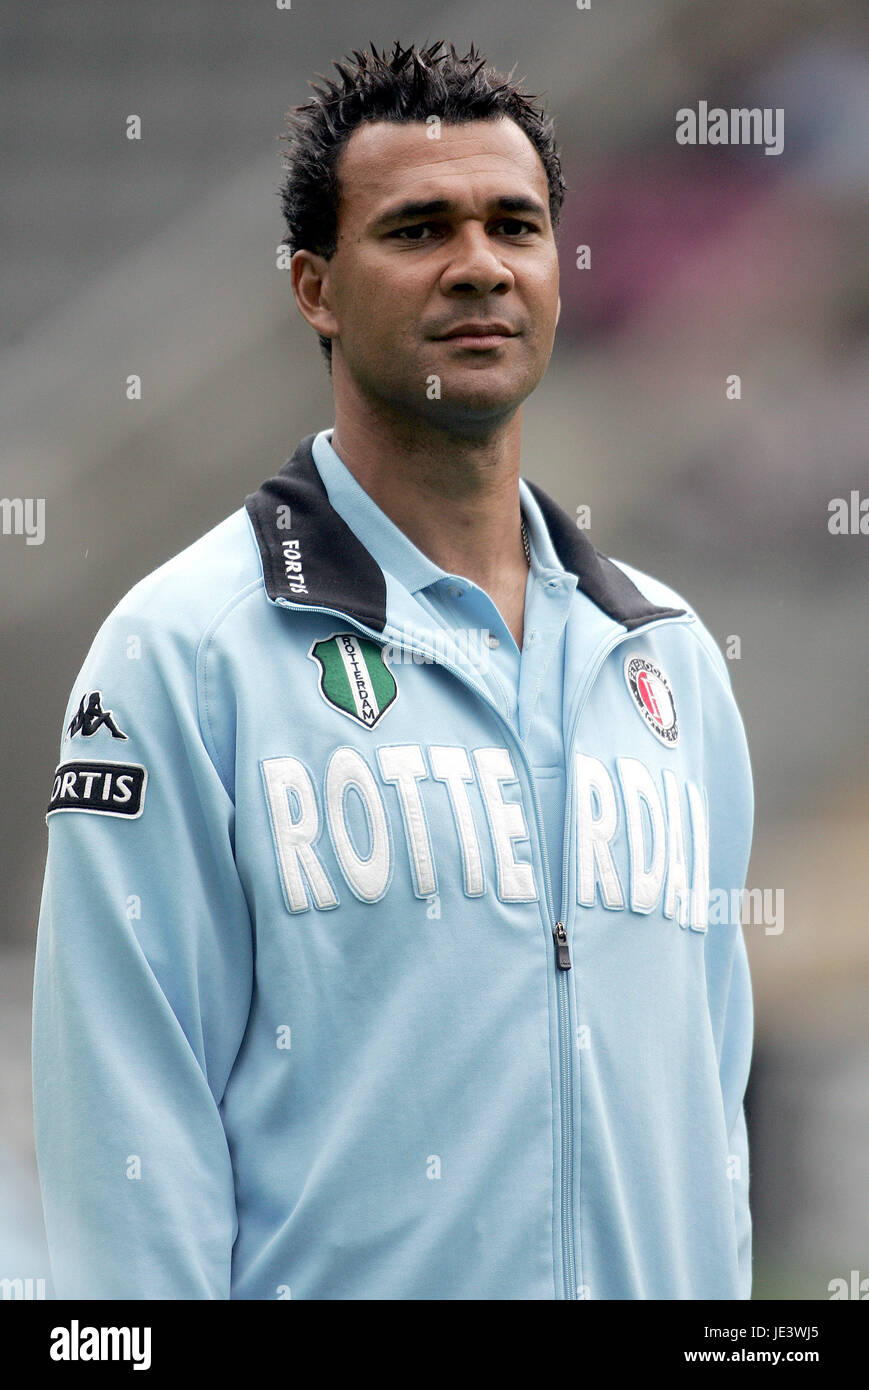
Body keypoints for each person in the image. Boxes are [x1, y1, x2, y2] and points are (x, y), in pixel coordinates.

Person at [32, 39, 754, 1300]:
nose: (478, 264)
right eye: (419, 228)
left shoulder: (669, 660)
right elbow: (125, 1150)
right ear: (314, 287)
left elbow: (711, 1122)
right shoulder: (185, 655)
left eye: (512, 226)